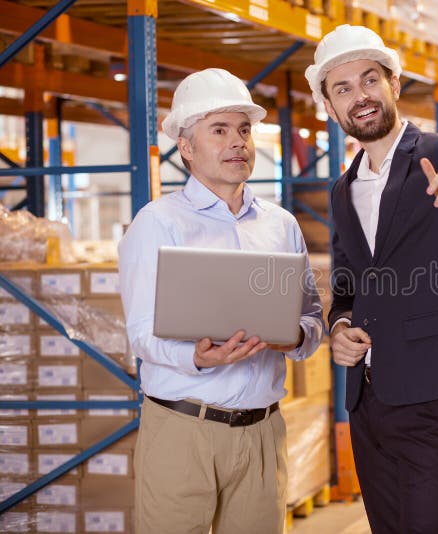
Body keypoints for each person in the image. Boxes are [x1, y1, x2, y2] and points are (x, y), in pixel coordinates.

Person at [305, 25, 438, 533]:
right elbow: (346, 288)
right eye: (342, 89)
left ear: (394, 85)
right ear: (331, 108)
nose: (359, 96)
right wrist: (339, 329)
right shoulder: (342, 191)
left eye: (369, 80)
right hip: (366, 397)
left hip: (432, 390)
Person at [118, 67, 323, 533]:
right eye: (220, 130)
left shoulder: (280, 225)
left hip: (262, 434)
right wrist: (196, 356)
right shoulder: (158, 224)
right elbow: (141, 333)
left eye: (245, 130)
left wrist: (290, 335)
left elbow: (311, 323)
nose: (238, 142)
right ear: (186, 147)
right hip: (183, 431)